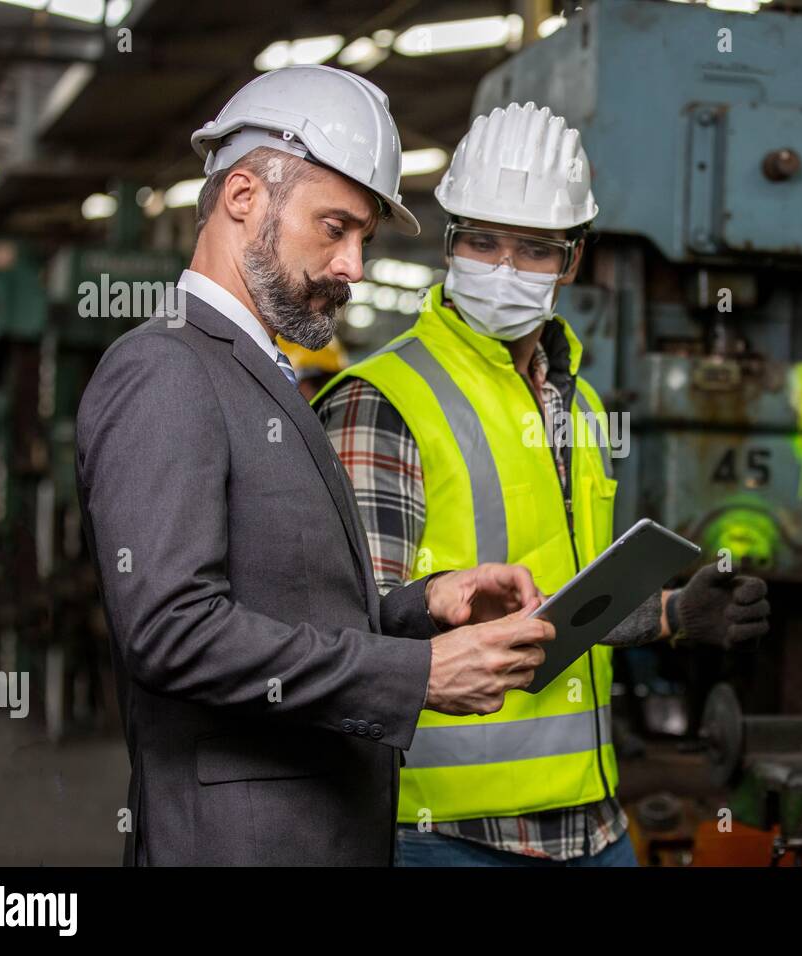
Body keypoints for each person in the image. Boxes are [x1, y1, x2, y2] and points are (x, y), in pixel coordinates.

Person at [75, 67, 554, 867]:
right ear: (242, 197)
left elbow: (280, 595)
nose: (354, 266)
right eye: (334, 227)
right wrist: (416, 674)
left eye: (362, 237)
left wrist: (419, 609)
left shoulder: (260, 373)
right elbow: (170, 631)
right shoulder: (165, 369)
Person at [315, 102, 769, 867]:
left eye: (532, 250)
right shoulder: (383, 401)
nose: (502, 269)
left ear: (573, 259)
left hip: (591, 821)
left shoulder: (579, 405)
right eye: (481, 241)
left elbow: (560, 610)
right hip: (444, 834)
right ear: (449, 245)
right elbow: (344, 637)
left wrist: (671, 614)